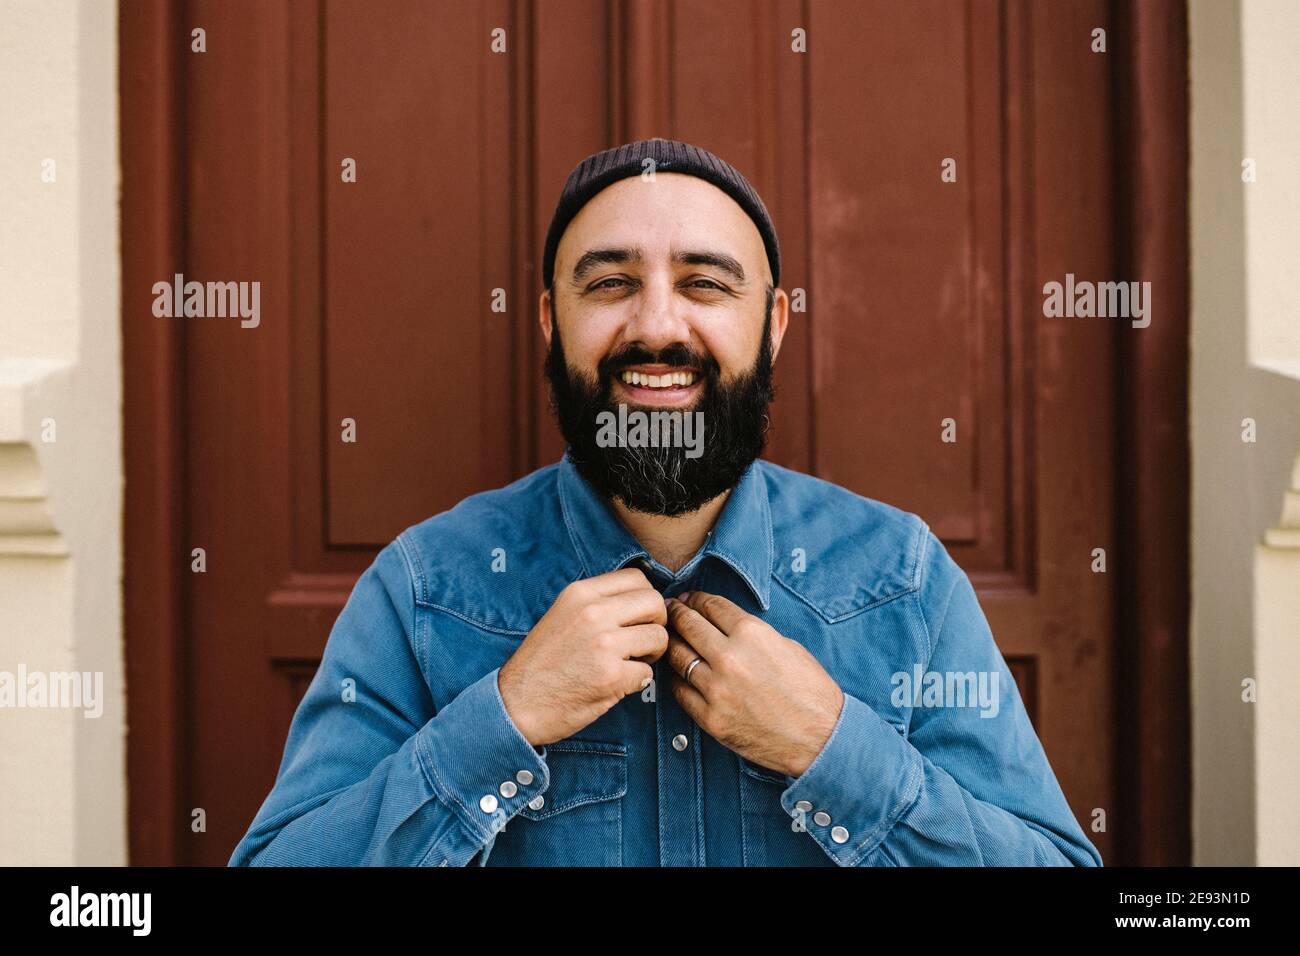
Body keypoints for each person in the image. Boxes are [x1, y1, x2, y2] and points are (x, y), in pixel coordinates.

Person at [229, 138, 1103, 867]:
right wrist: (503, 720)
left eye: (706, 284)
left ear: (774, 324)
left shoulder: (901, 579)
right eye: (610, 283)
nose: (656, 326)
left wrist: (833, 751)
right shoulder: (427, 587)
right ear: (549, 320)